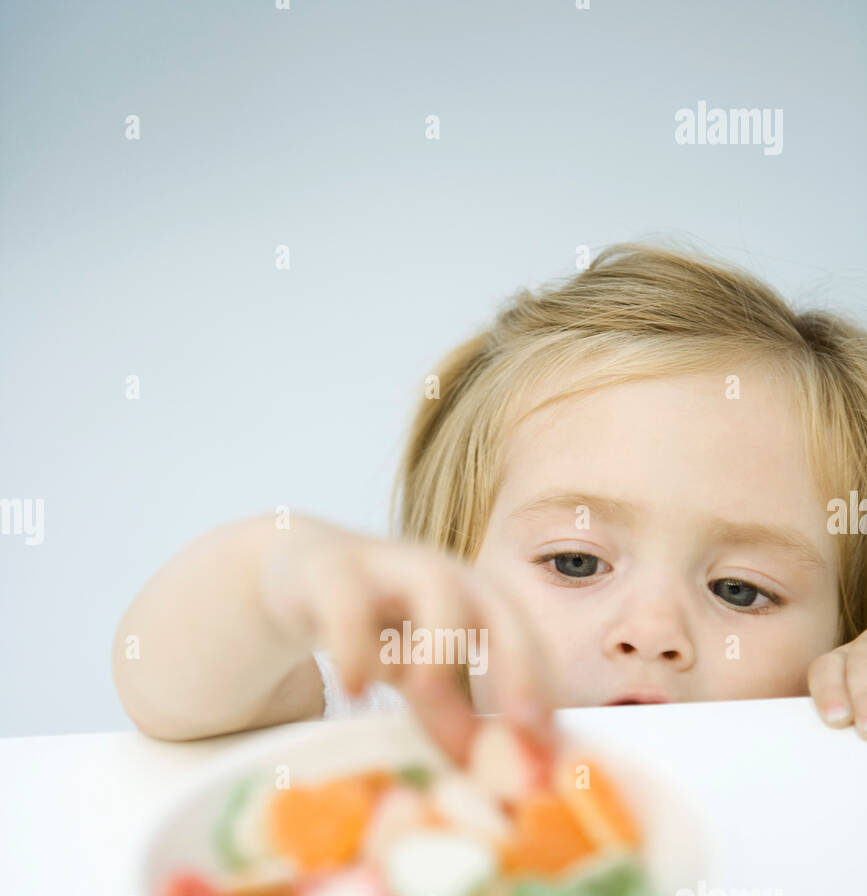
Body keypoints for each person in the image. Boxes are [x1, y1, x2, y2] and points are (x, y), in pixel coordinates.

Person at [112, 243, 867, 762]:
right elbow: (173, 699)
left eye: (739, 589)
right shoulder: (403, 740)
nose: (651, 633)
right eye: (574, 561)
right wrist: (268, 575)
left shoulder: (839, 750)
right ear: (448, 581)